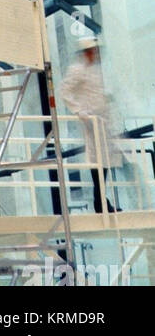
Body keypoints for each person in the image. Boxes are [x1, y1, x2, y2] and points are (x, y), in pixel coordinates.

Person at [60, 37, 121, 214]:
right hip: (92, 122)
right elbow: (65, 91)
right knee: (98, 161)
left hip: (104, 121)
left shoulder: (95, 70)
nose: (96, 53)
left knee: (106, 160)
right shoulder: (77, 69)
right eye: (93, 50)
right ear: (87, 52)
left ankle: (102, 200)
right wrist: (80, 111)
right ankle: (100, 202)